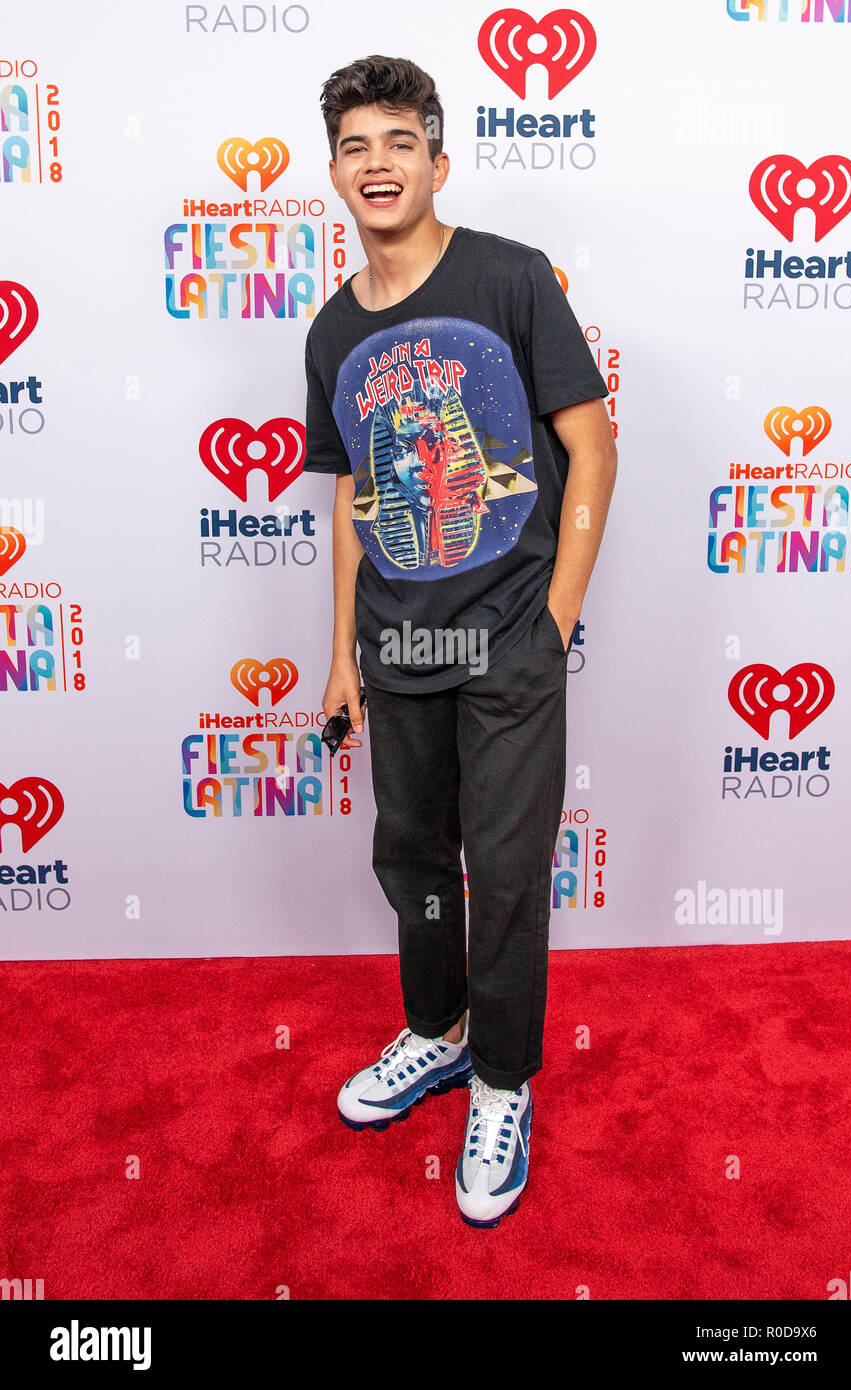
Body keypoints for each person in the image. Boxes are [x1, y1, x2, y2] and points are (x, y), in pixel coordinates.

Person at [302, 54, 617, 1228]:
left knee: (511, 868)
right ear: (332, 173)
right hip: (397, 645)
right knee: (415, 860)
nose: (377, 164)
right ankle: (435, 1034)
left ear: (439, 159)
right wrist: (340, 652)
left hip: (510, 645)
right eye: (354, 146)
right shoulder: (335, 332)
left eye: (399, 141)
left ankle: (502, 1079)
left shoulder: (510, 278)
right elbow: (348, 505)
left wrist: (555, 614)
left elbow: (594, 448)